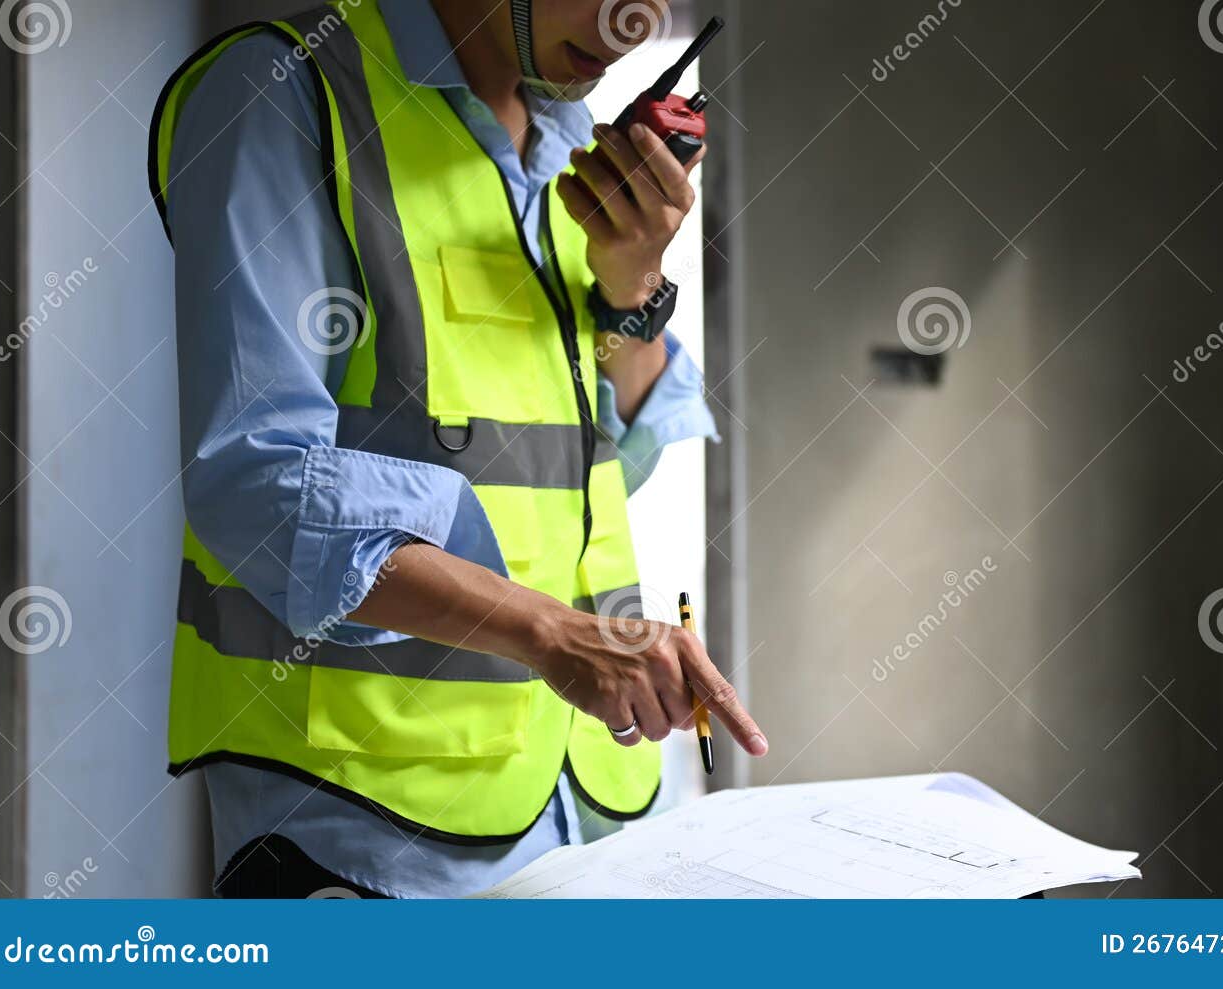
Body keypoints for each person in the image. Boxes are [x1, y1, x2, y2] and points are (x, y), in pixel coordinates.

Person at [147, 0, 767, 898]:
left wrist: (632, 286)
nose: (634, 22)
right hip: (365, 814)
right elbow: (256, 487)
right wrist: (555, 635)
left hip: (588, 800)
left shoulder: (570, 141)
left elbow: (612, 462)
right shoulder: (287, 91)